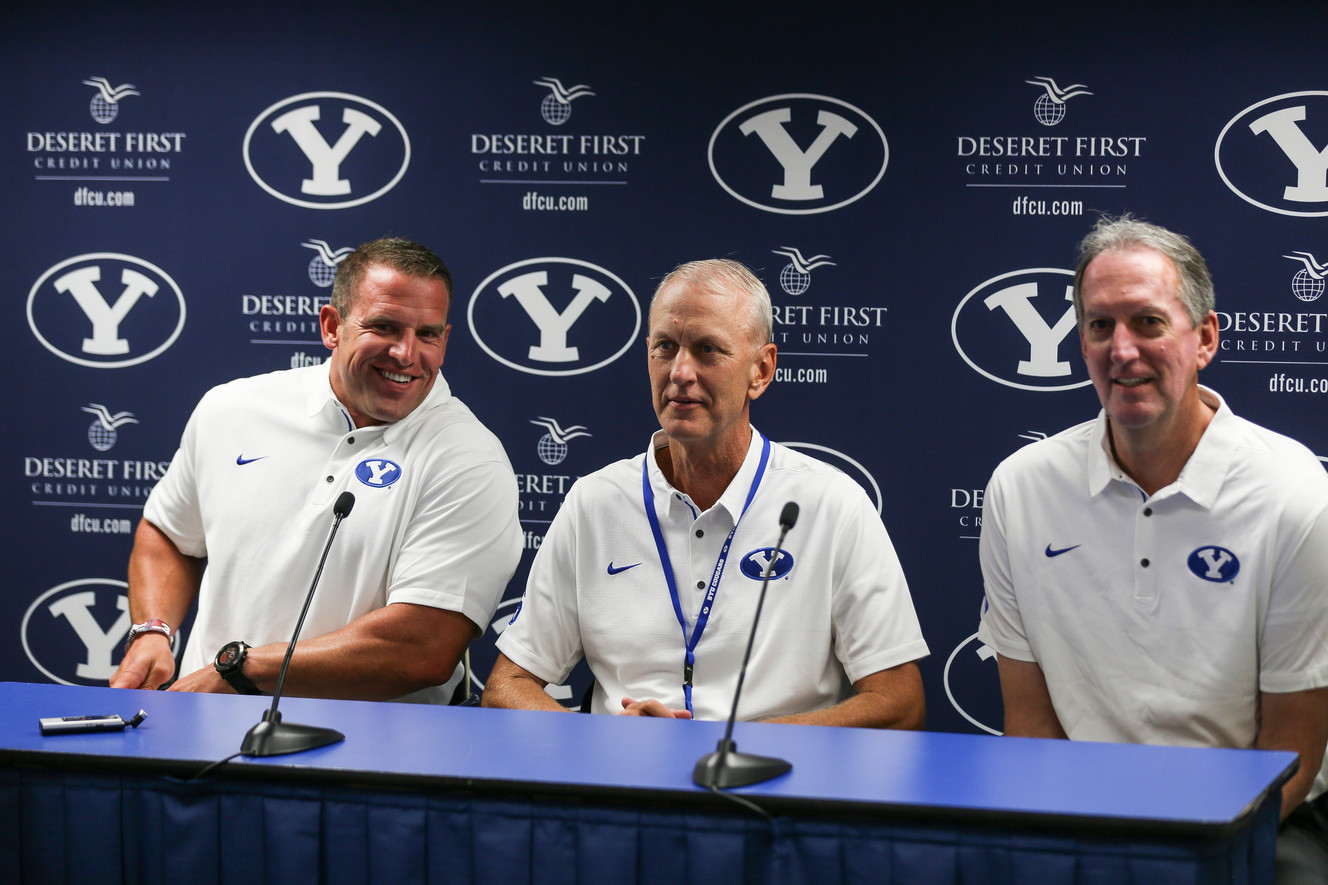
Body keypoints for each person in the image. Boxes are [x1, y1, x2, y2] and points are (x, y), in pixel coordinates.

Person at [977, 216, 1328, 881]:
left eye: (1148, 322)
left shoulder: (1293, 491)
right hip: (1083, 818)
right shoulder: (1020, 488)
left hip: (1263, 816)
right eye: (1100, 326)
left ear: (1205, 338)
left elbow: (1294, 751)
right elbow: (1028, 720)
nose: (1122, 350)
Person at [484, 258, 928, 725]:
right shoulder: (594, 503)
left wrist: (724, 749)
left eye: (707, 350)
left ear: (761, 370)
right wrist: (601, 743)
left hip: (773, 785)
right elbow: (506, 686)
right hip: (624, 783)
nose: (679, 371)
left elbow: (899, 703)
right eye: (665, 347)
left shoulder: (833, 506)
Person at [110, 237, 522, 704]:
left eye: (427, 334)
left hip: (371, 762)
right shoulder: (231, 408)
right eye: (385, 327)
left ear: (445, 340)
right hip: (203, 726)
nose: (407, 354)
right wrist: (152, 630)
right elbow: (168, 533)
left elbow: (421, 648)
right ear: (332, 326)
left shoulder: (470, 460)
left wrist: (238, 669)